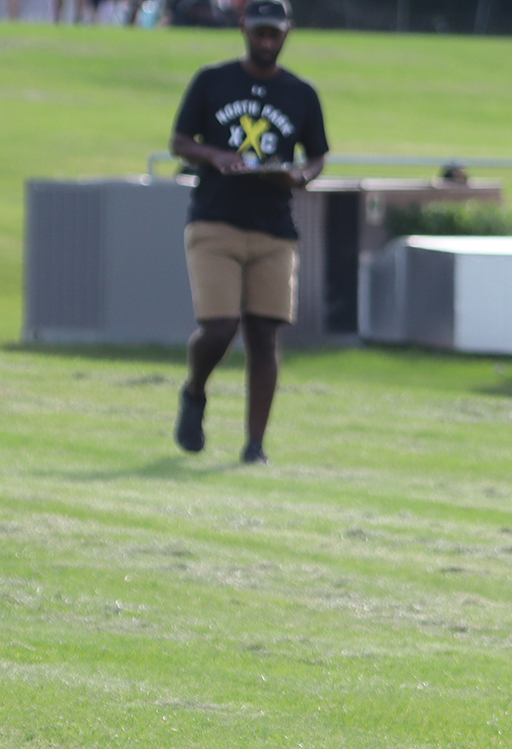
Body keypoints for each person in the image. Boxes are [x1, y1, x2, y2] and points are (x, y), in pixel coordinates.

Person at [168, 0, 326, 464]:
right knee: (219, 328)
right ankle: (195, 391)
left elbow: (317, 155)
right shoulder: (212, 80)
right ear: (243, 28)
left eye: (274, 33)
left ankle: (254, 445)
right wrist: (215, 156)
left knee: (264, 335)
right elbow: (179, 141)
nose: (266, 41)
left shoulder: (301, 92)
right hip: (215, 219)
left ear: (287, 33)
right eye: (259, 32)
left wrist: (298, 175)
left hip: (274, 226)